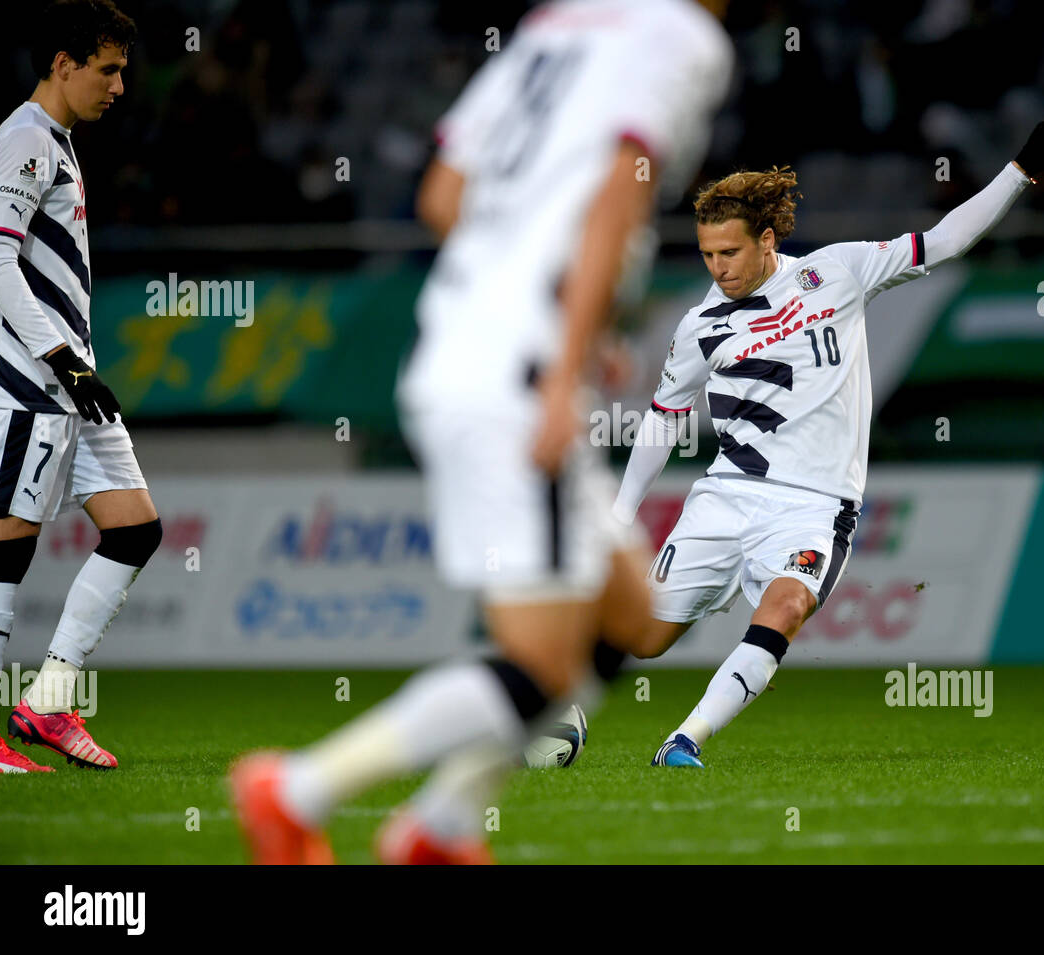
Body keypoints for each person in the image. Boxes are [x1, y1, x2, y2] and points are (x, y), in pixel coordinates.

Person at [231, 0, 734, 864]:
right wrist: (570, 345)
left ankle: (443, 825)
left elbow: (442, 195)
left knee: (625, 613)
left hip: (461, 349)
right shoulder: (681, 36)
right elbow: (620, 195)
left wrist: (539, 300)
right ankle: (298, 789)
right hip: (519, 376)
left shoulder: (551, 27)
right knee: (541, 665)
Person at [611, 122, 1044, 767]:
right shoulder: (699, 325)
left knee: (789, 602)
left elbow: (944, 241)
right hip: (724, 497)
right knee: (645, 638)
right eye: (707, 255)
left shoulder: (838, 273)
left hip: (814, 504)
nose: (718, 269)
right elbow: (664, 419)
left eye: (730, 254)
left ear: (768, 241)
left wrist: (1018, 172)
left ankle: (685, 740)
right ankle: (552, 702)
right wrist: (619, 514)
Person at [0, 0, 157, 775]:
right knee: (4, 551)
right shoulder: (25, 139)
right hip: (30, 381)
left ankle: (50, 698)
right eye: (108, 69)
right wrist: (61, 358)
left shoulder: (54, 141)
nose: (119, 86)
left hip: (70, 381)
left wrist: (76, 363)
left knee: (135, 528)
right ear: (64, 64)